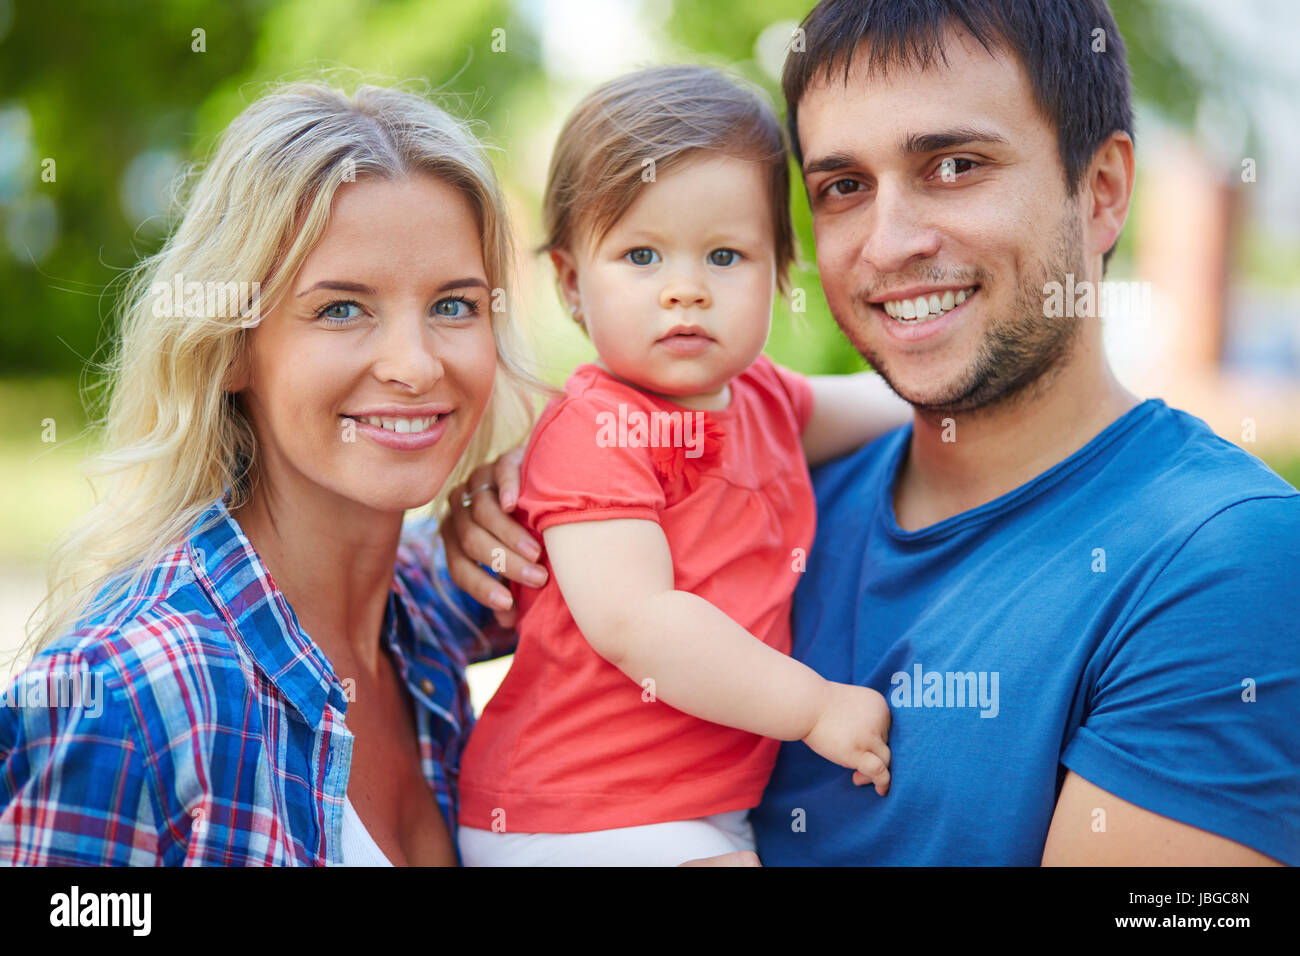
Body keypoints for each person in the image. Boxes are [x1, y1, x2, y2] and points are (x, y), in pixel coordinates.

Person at [447, 0, 1299, 866]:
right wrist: (507, 493)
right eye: (844, 187)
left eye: (955, 165)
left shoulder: (1220, 559)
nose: (888, 245)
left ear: (1102, 190)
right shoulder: (792, 485)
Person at [0, 81, 536, 865]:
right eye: (341, 309)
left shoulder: (433, 609)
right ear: (232, 349)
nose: (417, 366)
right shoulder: (128, 694)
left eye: (453, 305)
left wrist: (539, 483)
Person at [452, 65, 910, 867]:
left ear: (780, 273)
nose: (685, 290)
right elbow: (639, 624)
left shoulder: (766, 398)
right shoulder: (598, 432)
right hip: (576, 807)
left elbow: (894, 400)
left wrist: (965, 392)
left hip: (693, 804)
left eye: (726, 255)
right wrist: (813, 708)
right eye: (642, 255)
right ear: (571, 282)